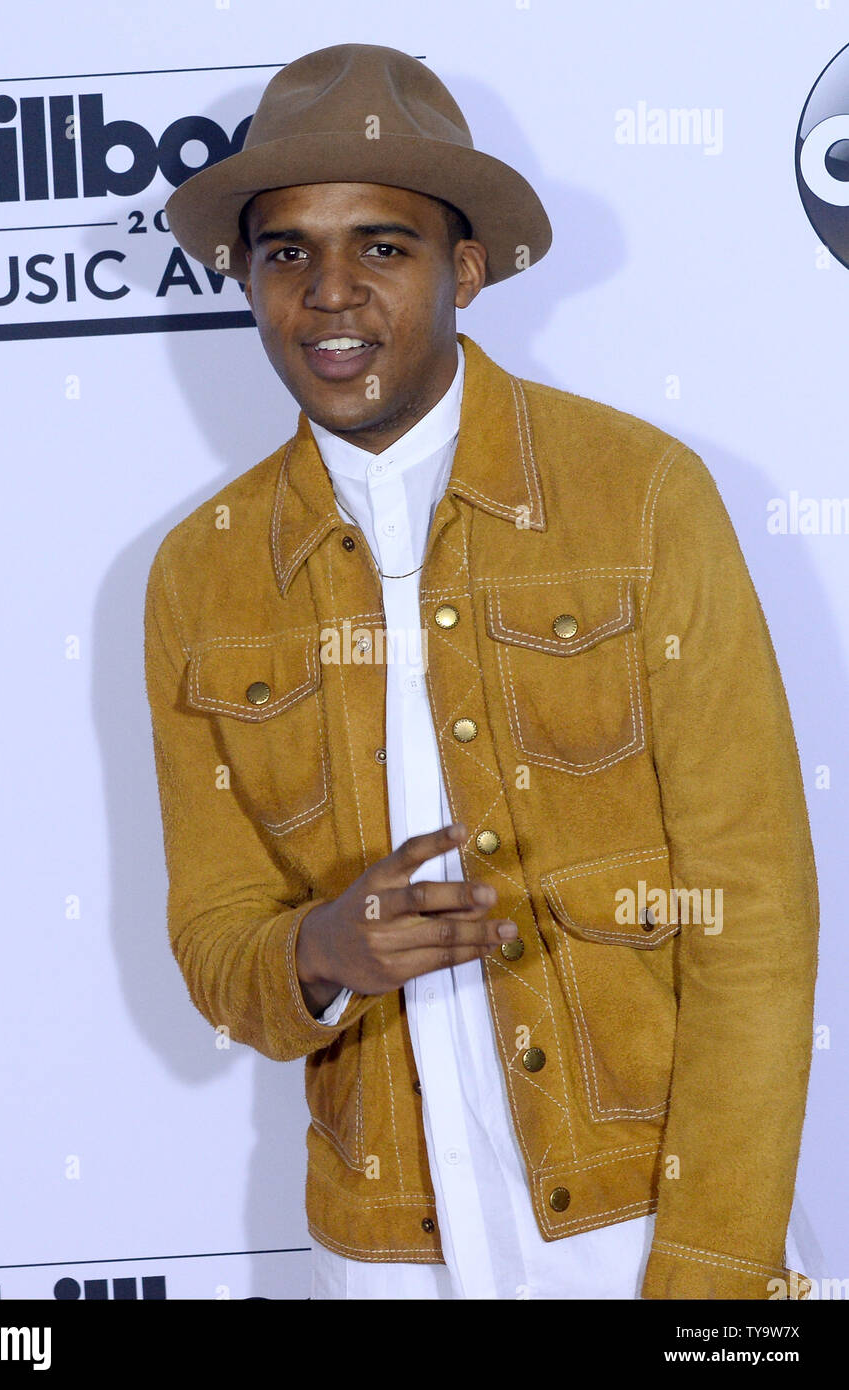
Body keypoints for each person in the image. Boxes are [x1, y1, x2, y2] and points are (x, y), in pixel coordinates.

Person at [144, 42, 819, 1299]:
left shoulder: (640, 496)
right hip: (380, 1254)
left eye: (380, 246)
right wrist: (319, 953)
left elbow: (755, 912)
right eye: (286, 251)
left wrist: (714, 1269)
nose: (329, 294)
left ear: (462, 270)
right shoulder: (201, 573)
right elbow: (214, 941)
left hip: (647, 1226)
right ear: (247, 278)